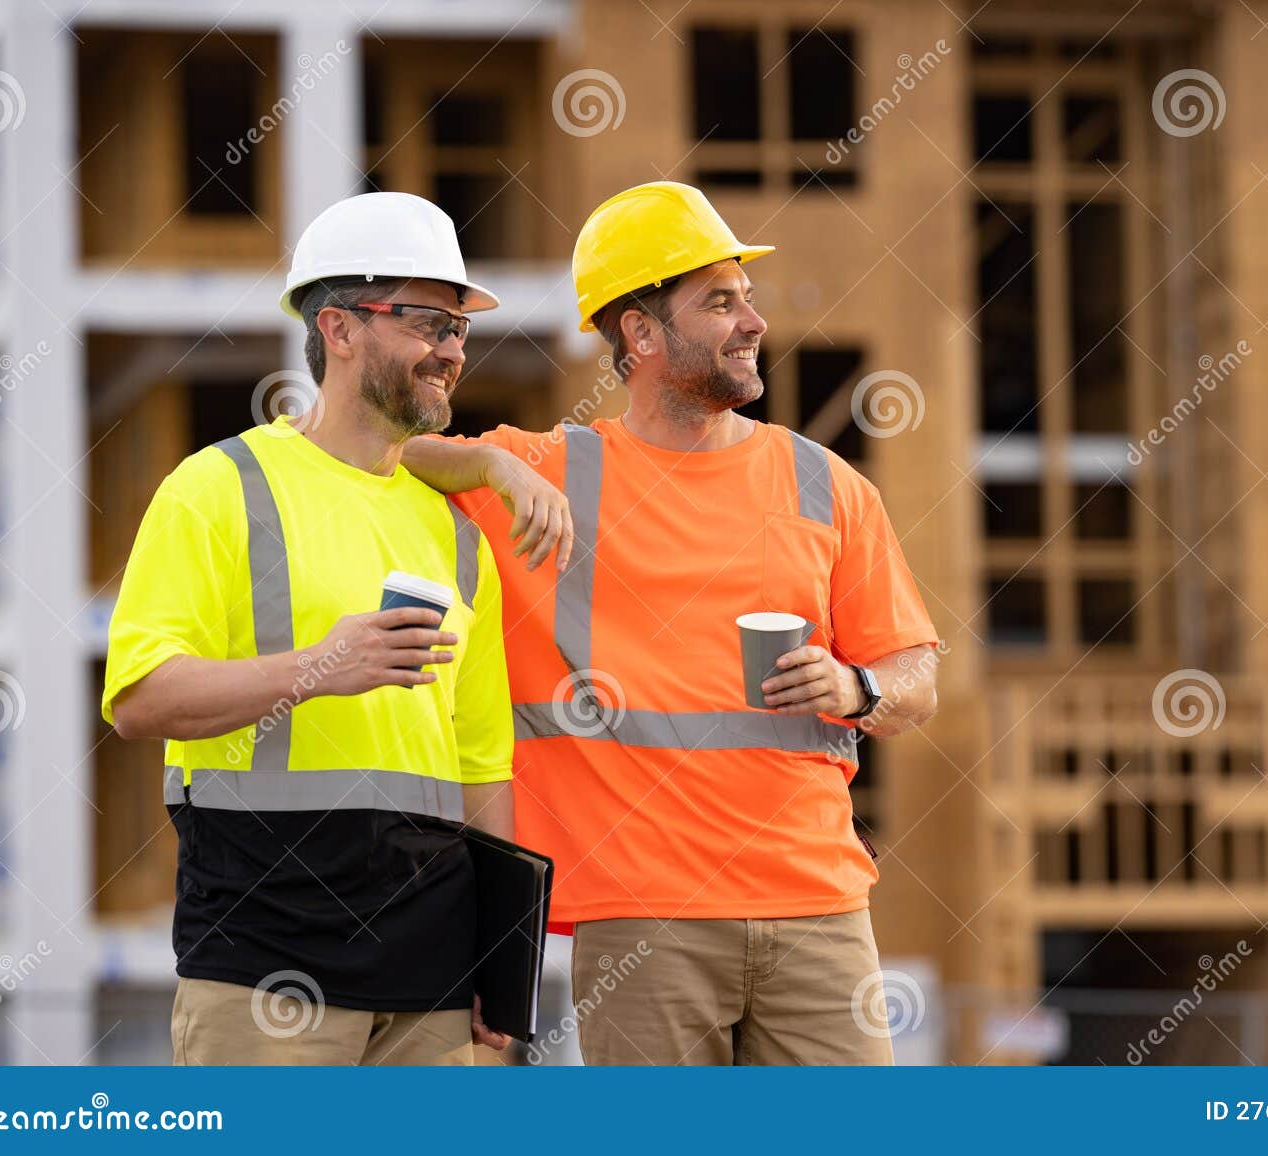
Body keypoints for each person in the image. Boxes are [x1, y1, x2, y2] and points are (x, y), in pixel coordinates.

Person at [403, 181, 941, 1065]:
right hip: (640, 922)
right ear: (641, 334)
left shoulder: (826, 483)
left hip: (819, 908)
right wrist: (493, 473)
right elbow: (383, 455)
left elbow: (918, 676)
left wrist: (858, 685)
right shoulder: (550, 471)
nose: (752, 321)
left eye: (748, 298)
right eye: (720, 302)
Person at [102, 191, 565, 1065]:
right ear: (341, 328)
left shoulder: (455, 532)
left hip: (430, 987)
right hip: (262, 970)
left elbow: (480, 771)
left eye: (461, 328)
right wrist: (318, 665)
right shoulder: (219, 488)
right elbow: (138, 698)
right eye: (430, 321)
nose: (454, 349)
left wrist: (502, 965)